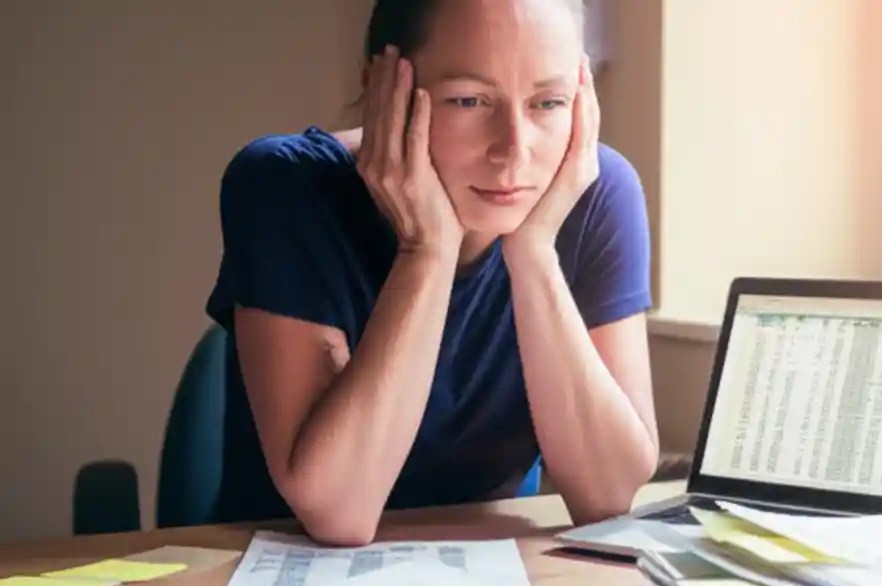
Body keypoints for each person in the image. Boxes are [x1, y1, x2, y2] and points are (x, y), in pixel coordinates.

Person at [204, 0, 659, 546]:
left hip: (489, 583)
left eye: (549, 102)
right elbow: (338, 513)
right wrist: (427, 250)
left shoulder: (599, 192)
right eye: (468, 100)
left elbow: (608, 496)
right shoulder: (284, 187)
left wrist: (534, 250)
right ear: (381, 88)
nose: (514, 150)